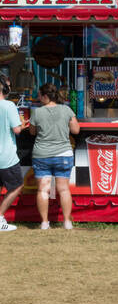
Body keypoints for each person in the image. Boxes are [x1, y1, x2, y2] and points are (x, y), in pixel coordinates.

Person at [25, 83, 78, 229]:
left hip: (42, 155)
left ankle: (44, 222)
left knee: (43, 189)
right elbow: (76, 130)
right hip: (63, 154)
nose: (38, 98)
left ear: (45, 96)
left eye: (39, 95)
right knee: (64, 189)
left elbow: (32, 132)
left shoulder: (37, 112)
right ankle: (67, 222)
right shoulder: (66, 109)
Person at [0, 78, 23, 231]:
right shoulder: (9, 106)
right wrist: (22, 123)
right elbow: (17, 130)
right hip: (6, 156)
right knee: (16, 186)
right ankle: (0, 217)